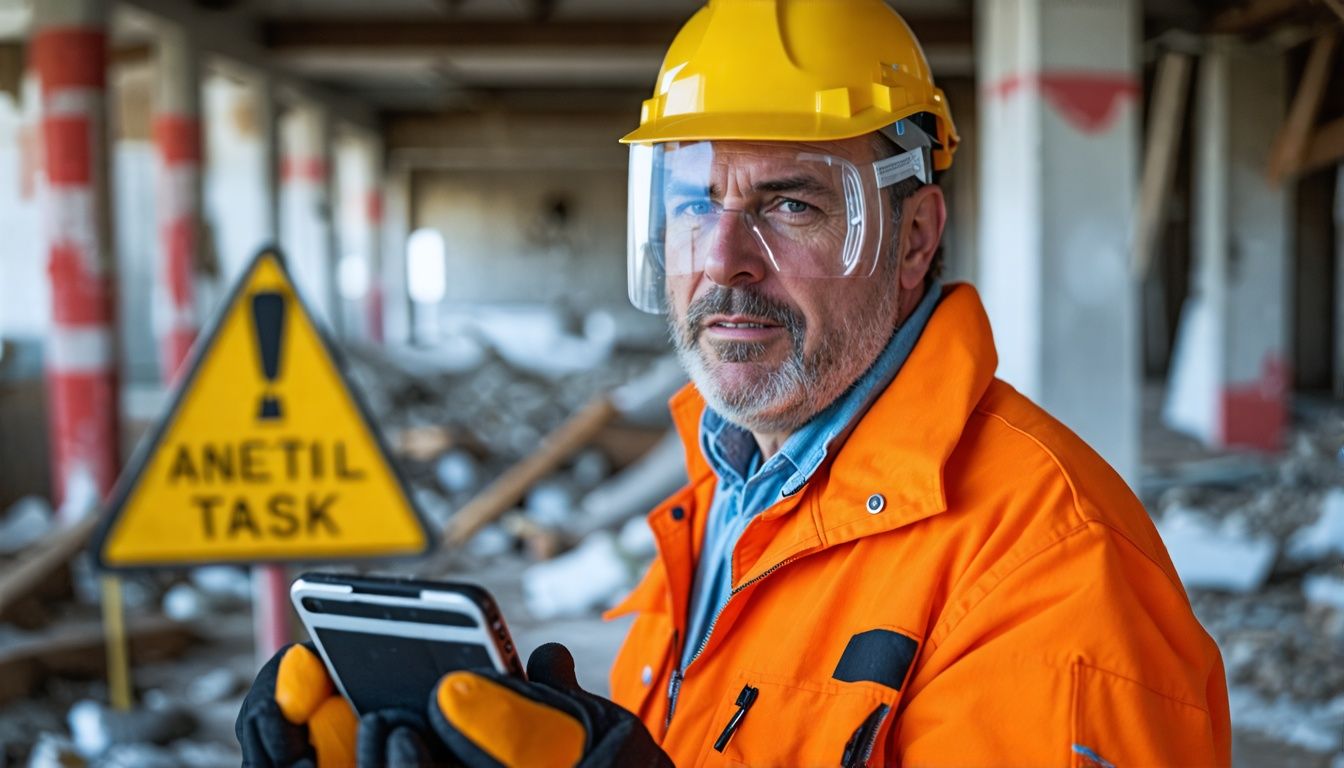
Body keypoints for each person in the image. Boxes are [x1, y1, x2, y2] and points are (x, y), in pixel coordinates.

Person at [238, 0, 1231, 765]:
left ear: (914, 236)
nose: (722, 260)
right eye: (689, 202)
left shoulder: (1051, 572)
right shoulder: (724, 491)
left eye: (790, 204)